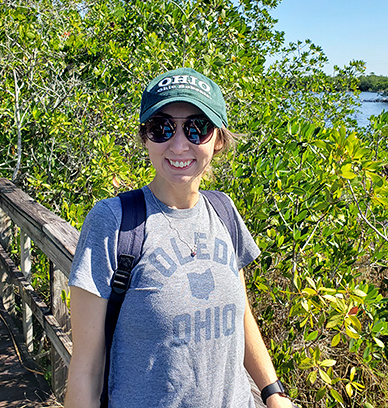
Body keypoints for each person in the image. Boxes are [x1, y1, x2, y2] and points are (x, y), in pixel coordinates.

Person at [65, 67, 294, 408]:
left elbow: (241, 312)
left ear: (218, 140)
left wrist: (272, 392)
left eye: (196, 128)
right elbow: (86, 369)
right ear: (145, 137)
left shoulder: (225, 212)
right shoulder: (112, 222)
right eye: (162, 128)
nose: (178, 144)